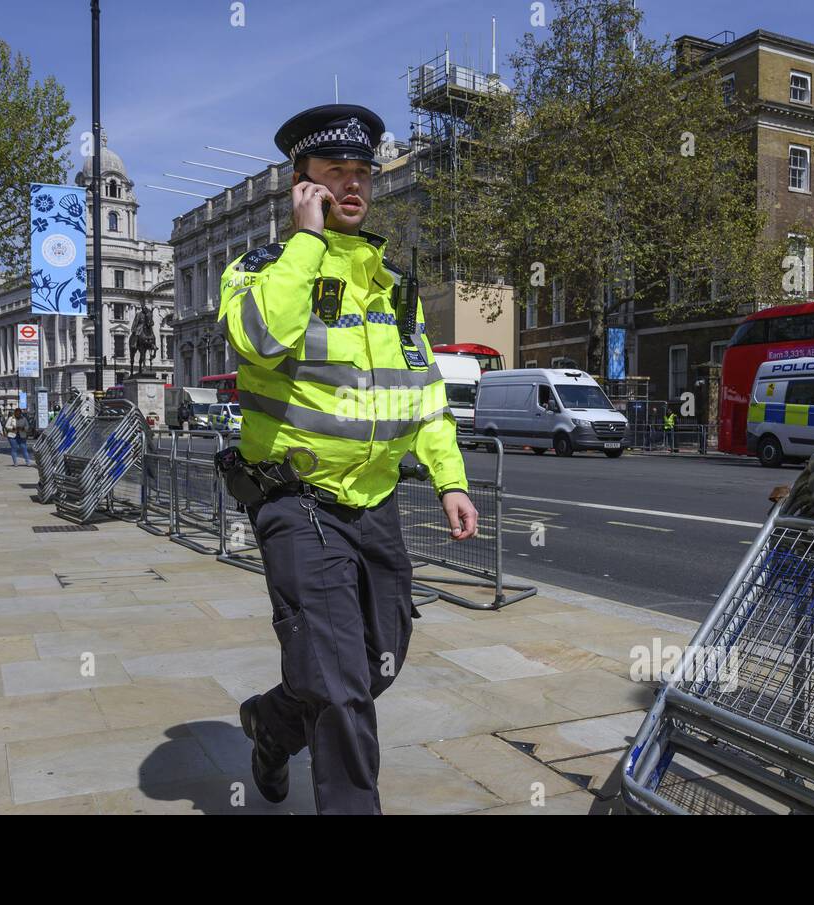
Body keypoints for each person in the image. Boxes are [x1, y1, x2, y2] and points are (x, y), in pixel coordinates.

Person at [219, 103, 478, 815]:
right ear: (301, 184)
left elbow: (423, 394)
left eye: (362, 171)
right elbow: (263, 339)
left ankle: (271, 725)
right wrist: (305, 241)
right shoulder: (258, 271)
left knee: (376, 664)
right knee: (337, 687)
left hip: (376, 505)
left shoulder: (394, 285)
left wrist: (449, 479)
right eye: (336, 171)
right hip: (296, 502)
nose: (354, 183)